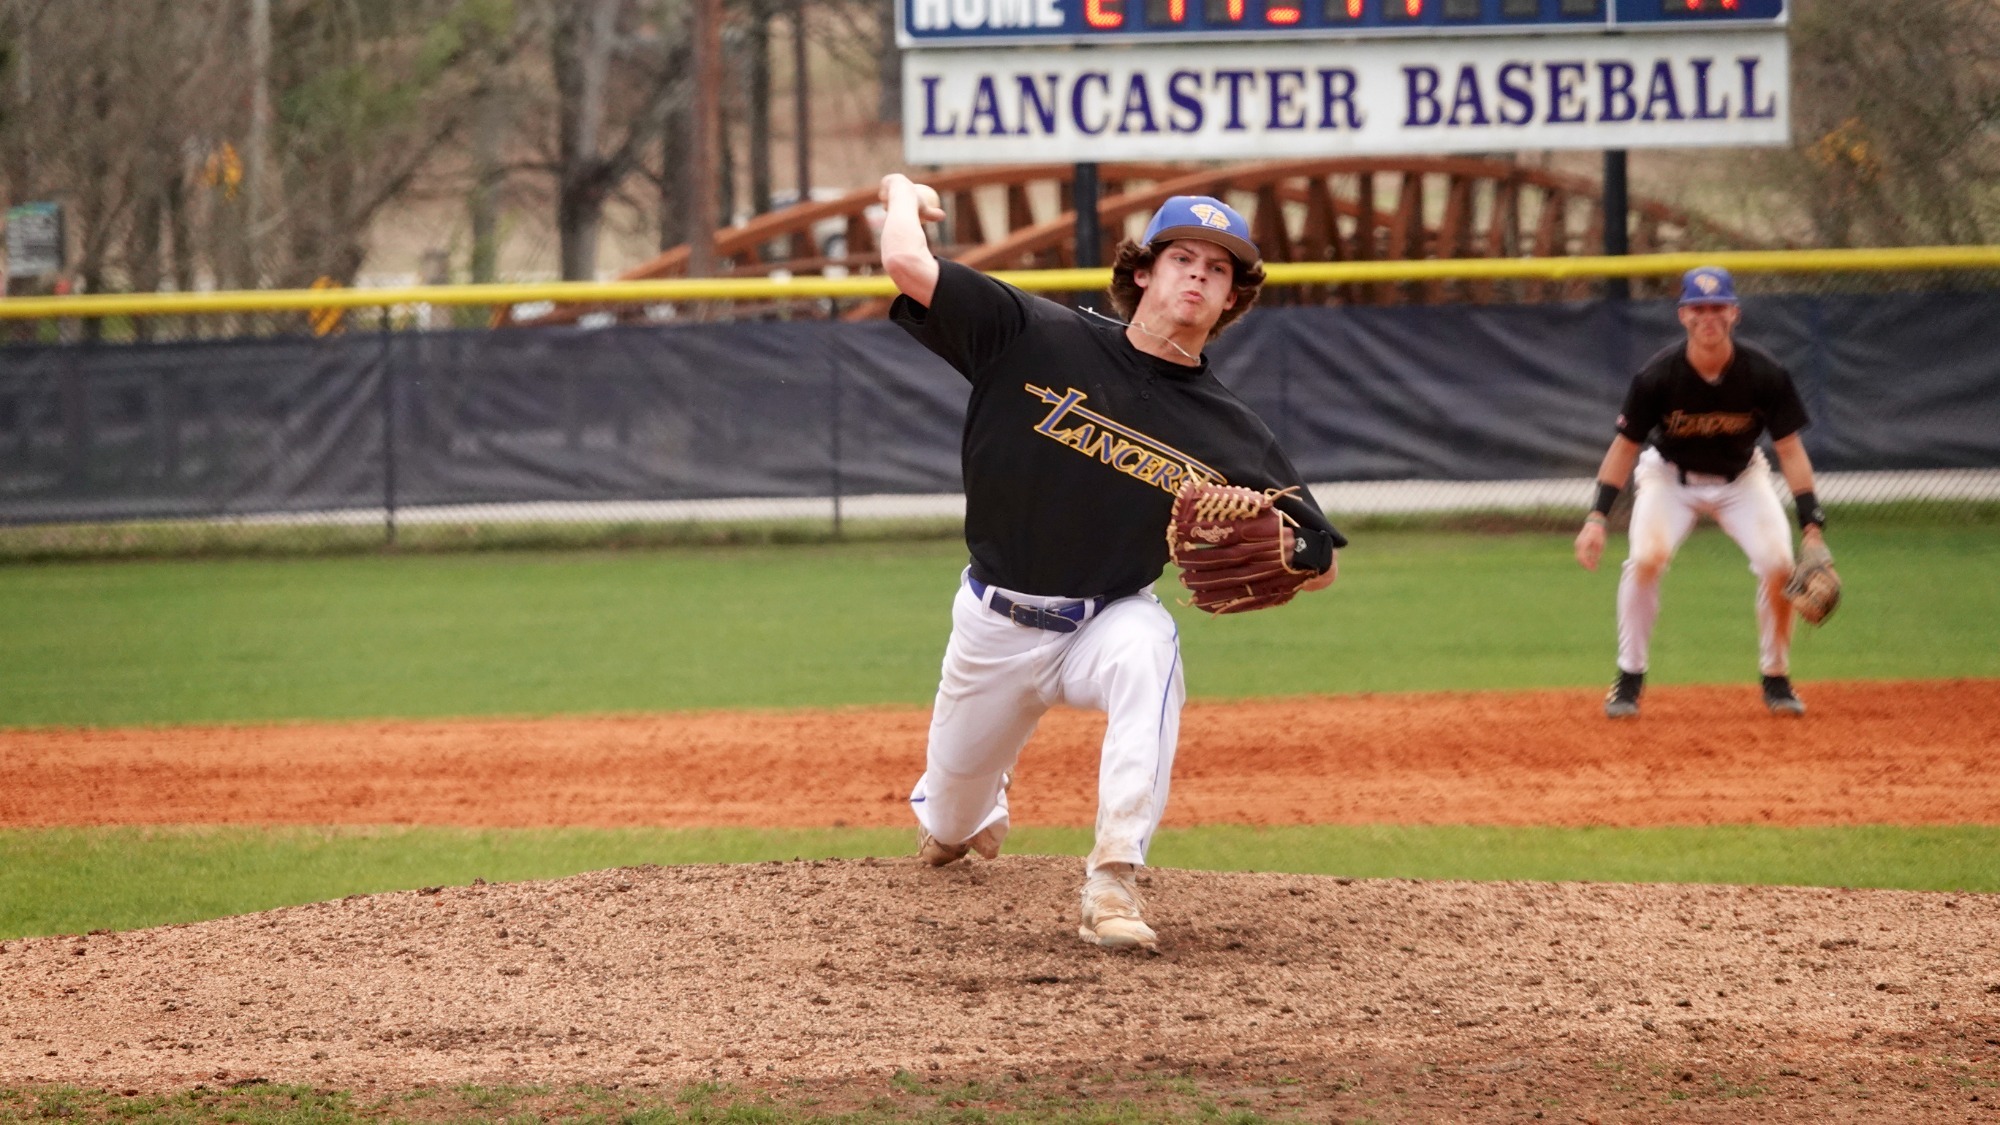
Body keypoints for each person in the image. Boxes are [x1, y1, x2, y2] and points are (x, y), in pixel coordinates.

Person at [878, 174, 1345, 951]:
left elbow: (1319, 557)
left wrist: (1284, 552)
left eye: (1219, 267)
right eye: (1182, 257)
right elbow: (904, 262)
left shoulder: (1230, 432)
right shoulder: (1033, 332)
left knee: (1151, 651)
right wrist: (901, 192)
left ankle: (1114, 876)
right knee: (951, 825)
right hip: (993, 623)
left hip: (1108, 616)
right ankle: (968, 808)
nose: (1198, 273)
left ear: (1232, 299)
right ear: (1141, 273)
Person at [1573, 265, 1830, 719]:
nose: (1708, 316)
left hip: (1742, 480)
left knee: (1779, 565)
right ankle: (1629, 678)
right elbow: (1624, 448)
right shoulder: (1657, 377)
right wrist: (1596, 518)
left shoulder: (1764, 373)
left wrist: (1811, 525)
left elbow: (1790, 452)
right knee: (1647, 559)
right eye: (1698, 308)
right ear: (1682, 316)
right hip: (1670, 479)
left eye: (1717, 307)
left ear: (1735, 313)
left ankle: (1776, 677)